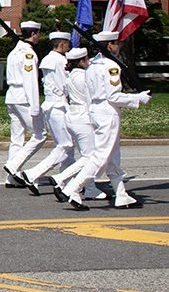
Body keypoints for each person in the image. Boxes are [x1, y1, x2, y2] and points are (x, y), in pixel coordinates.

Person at [58, 32, 151, 210]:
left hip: (95, 111)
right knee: (100, 156)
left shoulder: (92, 65)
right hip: (107, 113)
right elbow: (113, 96)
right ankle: (73, 188)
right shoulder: (110, 65)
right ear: (109, 45)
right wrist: (137, 98)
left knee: (112, 156)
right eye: (116, 43)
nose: (119, 46)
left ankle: (121, 194)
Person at [17, 32, 75, 194]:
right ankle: (32, 174)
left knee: (66, 148)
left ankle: (66, 183)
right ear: (62, 45)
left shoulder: (47, 59)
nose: (69, 48)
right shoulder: (61, 61)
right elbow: (66, 85)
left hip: (50, 105)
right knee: (66, 146)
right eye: (67, 44)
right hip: (59, 106)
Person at [50, 48, 107, 203]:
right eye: (87, 59)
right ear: (82, 61)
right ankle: (61, 178)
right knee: (90, 156)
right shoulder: (84, 77)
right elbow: (90, 99)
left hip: (72, 116)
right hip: (83, 117)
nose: (88, 62)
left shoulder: (70, 76)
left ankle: (90, 188)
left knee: (87, 155)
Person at [3, 21, 46, 187]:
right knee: (40, 134)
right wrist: (35, 106)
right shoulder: (29, 54)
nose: (38, 37)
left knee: (17, 138)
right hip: (23, 97)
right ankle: (13, 166)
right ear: (34, 34)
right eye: (38, 34)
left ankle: (11, 178)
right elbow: (30, 82)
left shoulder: (13, 52)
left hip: (12, 96)